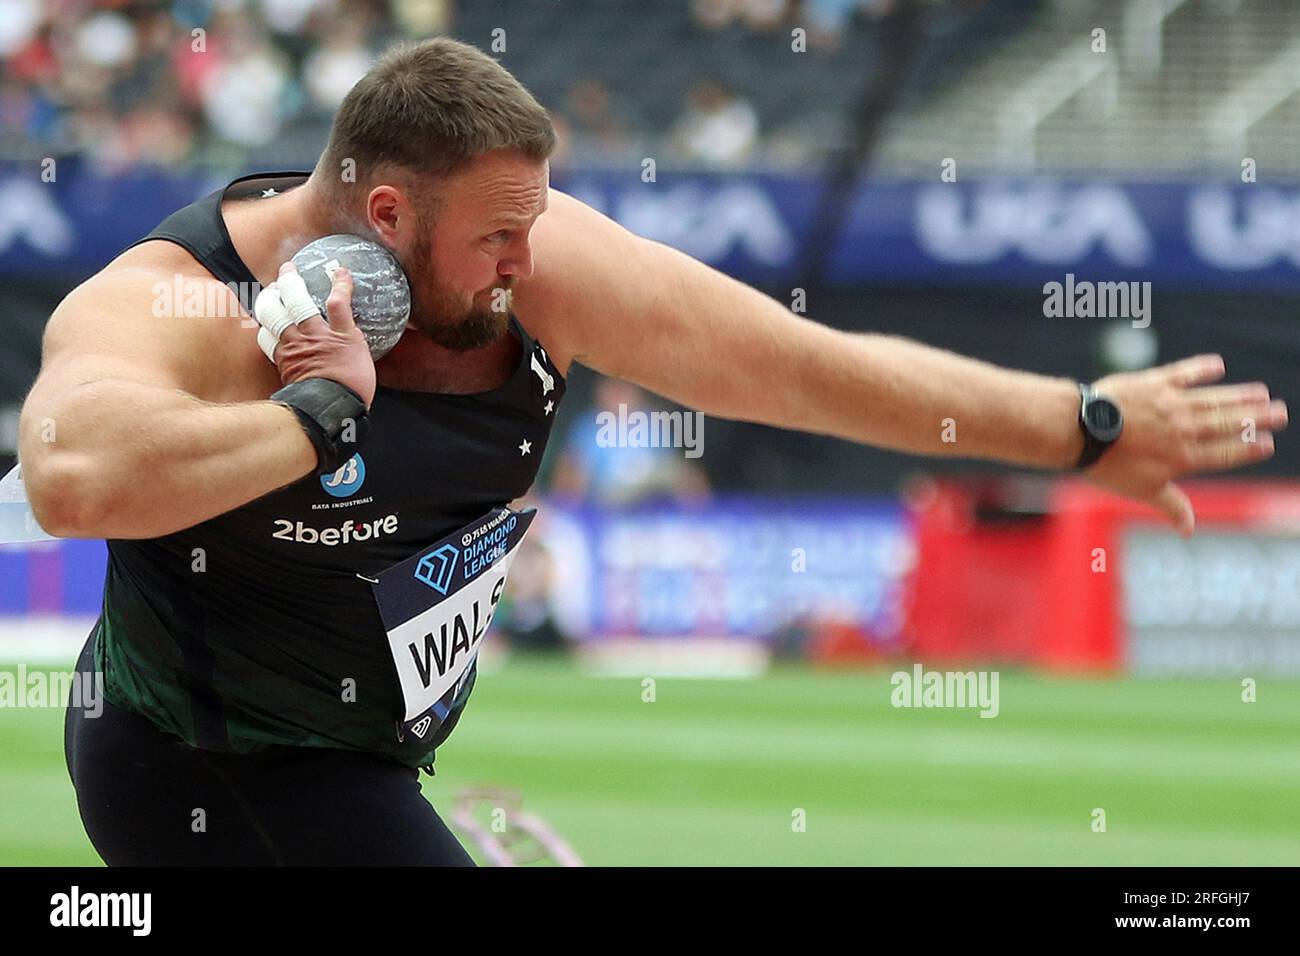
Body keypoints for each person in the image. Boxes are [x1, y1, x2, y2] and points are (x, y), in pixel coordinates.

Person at [17, 37, 1286, 866]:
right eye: (500, 236)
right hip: (202, 756)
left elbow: (804, 370)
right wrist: (317, 415)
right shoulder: (182, 298)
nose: (532, 258)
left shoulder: (533, 262)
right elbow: (73, 478)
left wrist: (1083, 425)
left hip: (359, 753)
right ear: (387, 214)